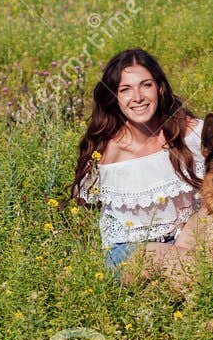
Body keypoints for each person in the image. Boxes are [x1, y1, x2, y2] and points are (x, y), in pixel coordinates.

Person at [72, 49, 205, 279]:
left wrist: (189, 236)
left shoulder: (191, 133)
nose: (138, 97)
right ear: (114, 97)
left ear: (159, 88)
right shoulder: (107, 152)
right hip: (132, 250)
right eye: (125, 89)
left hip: (191, 237)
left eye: (146, 85)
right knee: (185, 268)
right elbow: (84, 201)